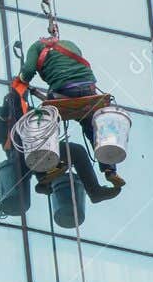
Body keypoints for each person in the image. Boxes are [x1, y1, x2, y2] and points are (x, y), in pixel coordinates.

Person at [13, 26, 123, 187]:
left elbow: (28, 71)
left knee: (46, 123)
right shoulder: (71, 45)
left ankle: (53, 165)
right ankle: (110, 169)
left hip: (64, 89)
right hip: (88, 89)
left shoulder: (36, 47)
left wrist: (21, 78)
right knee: (90, 126)